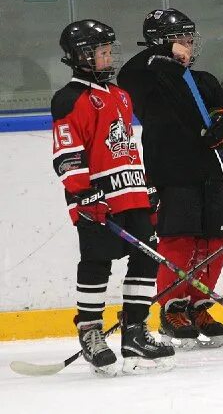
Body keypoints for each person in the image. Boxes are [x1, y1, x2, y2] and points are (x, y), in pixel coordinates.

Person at [52, 19, 174, 375]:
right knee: (96, 264)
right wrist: (84, 193)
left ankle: (134, 330)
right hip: (97, 201)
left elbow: (126, 149)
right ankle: (90, 330)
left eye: (108, 51)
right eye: (101, 52)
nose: (108, 58)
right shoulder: (69, 99)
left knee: (145, 260)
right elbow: (66, 153)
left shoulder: (120, 95)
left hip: (131, 195)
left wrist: (145, 187)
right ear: (81, 56)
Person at [117, 8, 223, 349]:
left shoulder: (202, 80)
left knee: (215, 241)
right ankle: (172, 307)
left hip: (208, 172)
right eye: (181, 39)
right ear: (161, 43)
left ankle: (199, 305)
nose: (189, 44)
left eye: (190, 38)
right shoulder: (147, 78)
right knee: (179, 241)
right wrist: (165, 57)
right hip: (170, 172)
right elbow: (128, 75)